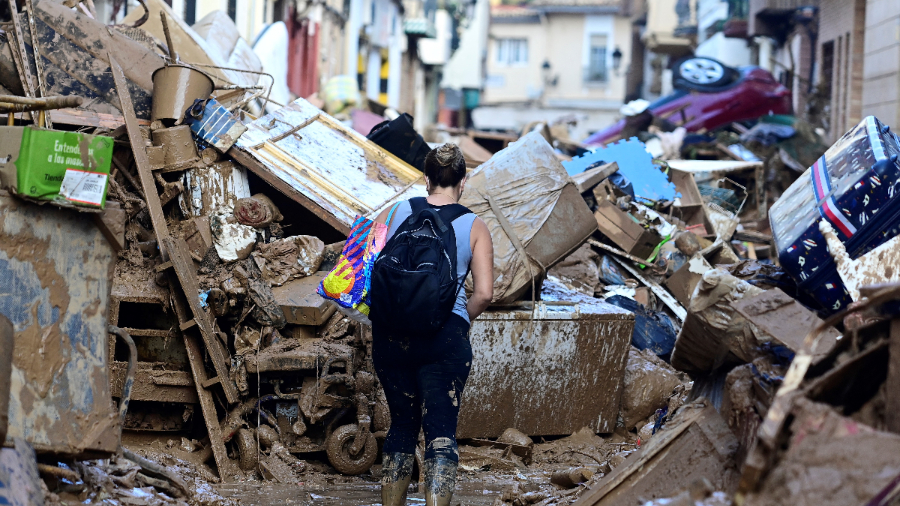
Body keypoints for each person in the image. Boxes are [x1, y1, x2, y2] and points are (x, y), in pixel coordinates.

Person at [371, 144, 494, 506]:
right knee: (441, 430)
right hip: (444, 340)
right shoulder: (474, 225)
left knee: (402, 426)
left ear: (426, 179)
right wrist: (458, 320)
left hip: (391, 337)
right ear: (463, 181)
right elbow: (485, 293)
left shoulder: (394, 211)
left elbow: (364, 265)